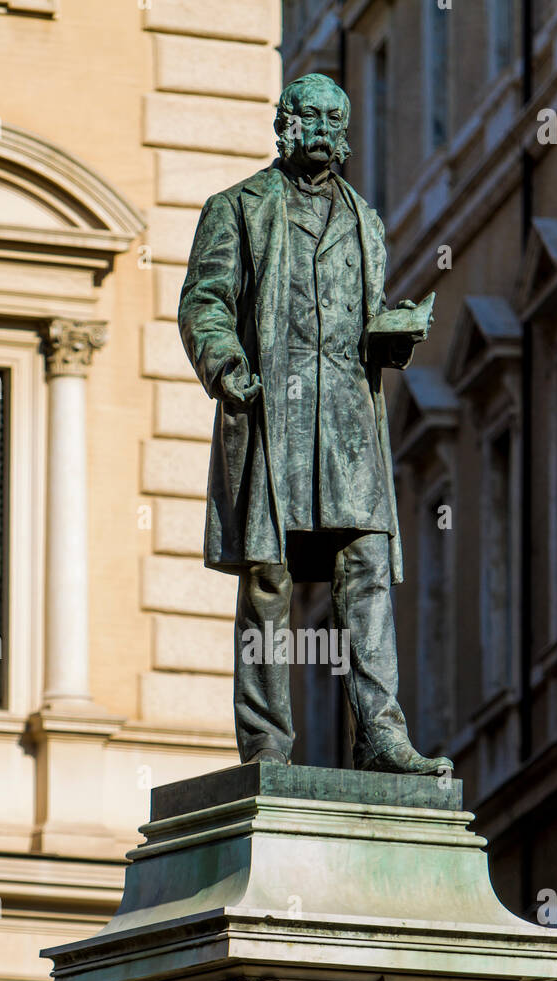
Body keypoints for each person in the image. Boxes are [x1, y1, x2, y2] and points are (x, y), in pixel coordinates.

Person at [178, 72, 452, 776]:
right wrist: (226, 364)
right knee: (269, 579)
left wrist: (391, 332)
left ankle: (382, 734)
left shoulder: (366, 219)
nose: (325, 128)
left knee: (364, 568)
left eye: (337, 118)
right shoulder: (237, 208)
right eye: (311, 116)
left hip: (348, 424)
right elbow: (204, 301)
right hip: (274, 413)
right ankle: (267, 740)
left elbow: (364, 318)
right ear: (284, 124)